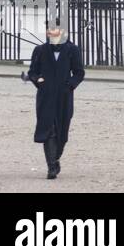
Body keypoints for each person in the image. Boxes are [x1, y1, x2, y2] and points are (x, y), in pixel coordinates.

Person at [27, 22, 85, 180]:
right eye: (48, 29)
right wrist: (37, 79)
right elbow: (32, 71)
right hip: (45, 98)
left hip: (64, 97)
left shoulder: (72, 50)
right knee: (49, 130)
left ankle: (56, 157)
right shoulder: (40, 50)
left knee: (62, 132)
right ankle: (51, 166)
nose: (50, 32)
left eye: (54, 29)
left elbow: (79, 72)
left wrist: (70, 86)